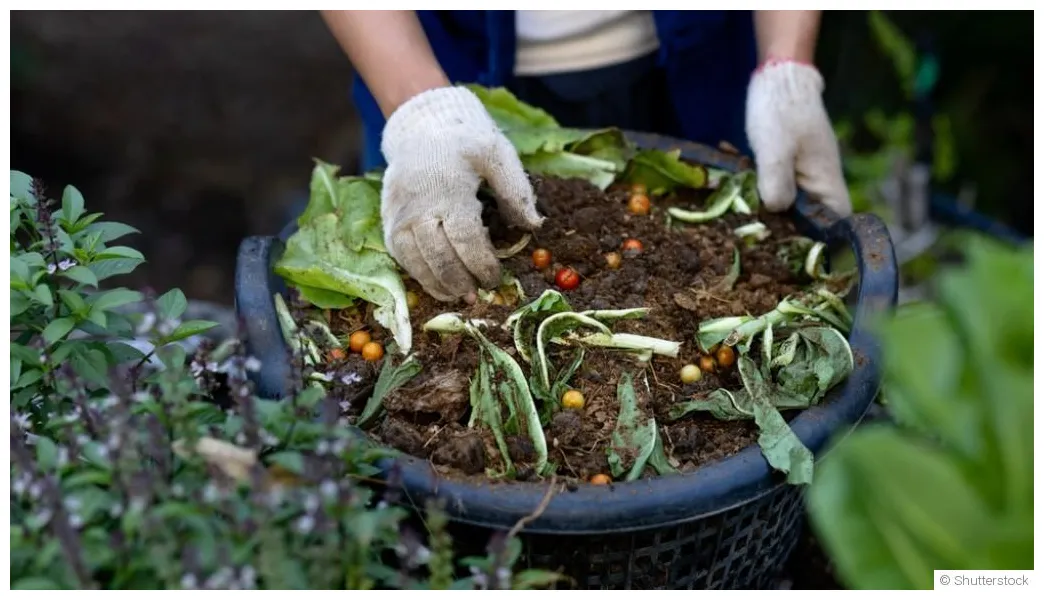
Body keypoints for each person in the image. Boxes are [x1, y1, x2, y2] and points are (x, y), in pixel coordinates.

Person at [320, 10, 851, 303]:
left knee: (755, 249)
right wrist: (420, 110)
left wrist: (787, 58)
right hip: (437, 61)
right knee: (432, 251)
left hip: (701, 62)